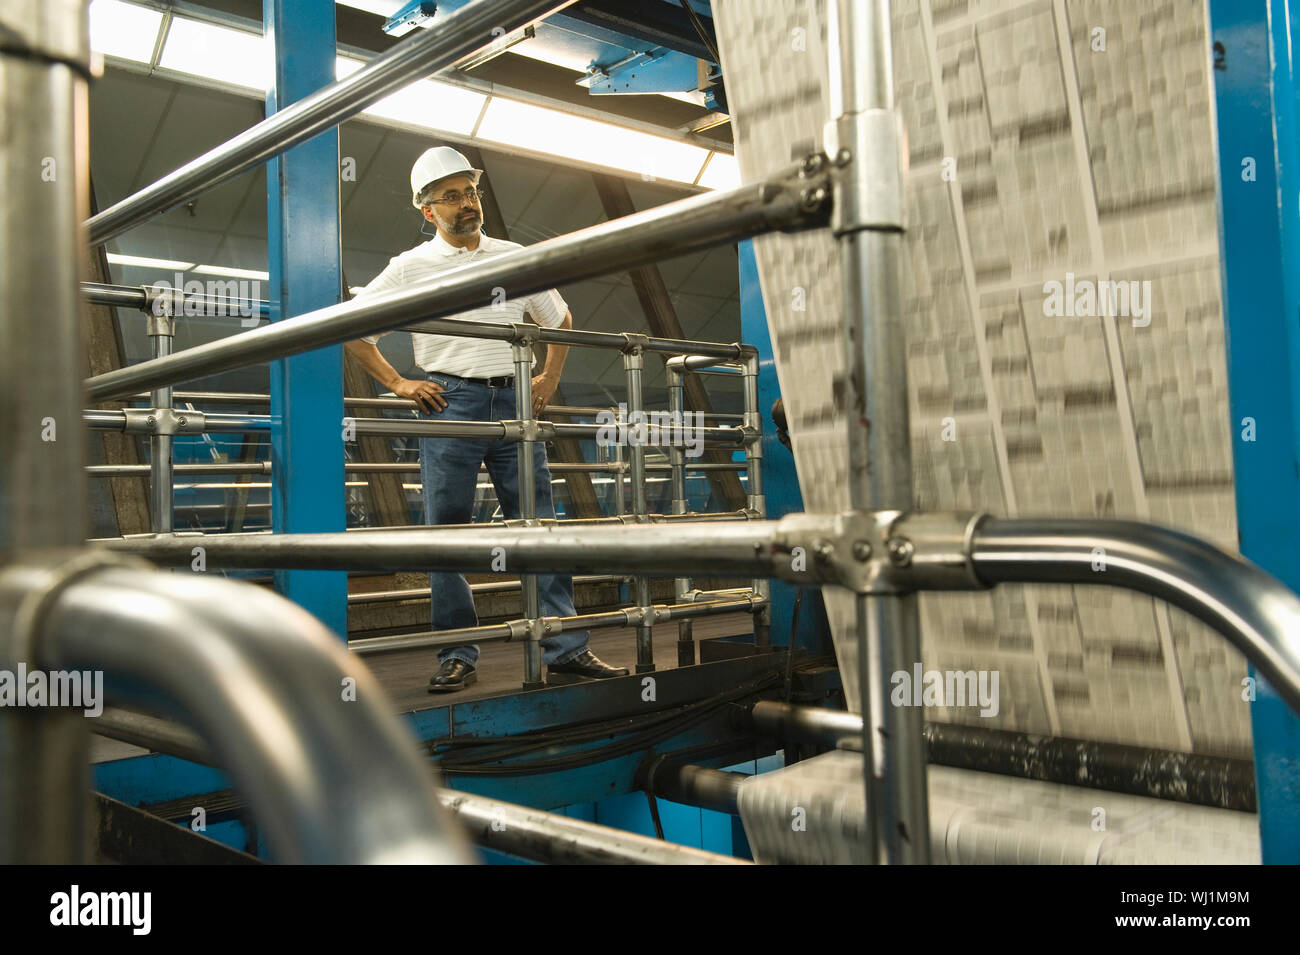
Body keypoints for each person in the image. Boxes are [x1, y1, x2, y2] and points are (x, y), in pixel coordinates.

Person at [345, 146, 629, 692]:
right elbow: (358, 331)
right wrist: (401, 383)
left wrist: (546, 379)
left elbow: (559, 316)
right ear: (427, 211)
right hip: (449, 404)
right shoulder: (409, 268)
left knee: (540, 527)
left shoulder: (510, 255)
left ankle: (565, 649)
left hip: (514, 400)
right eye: (450, 197)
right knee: (444, 536)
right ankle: (458, 654)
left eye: (470, 192)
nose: (465, 203)